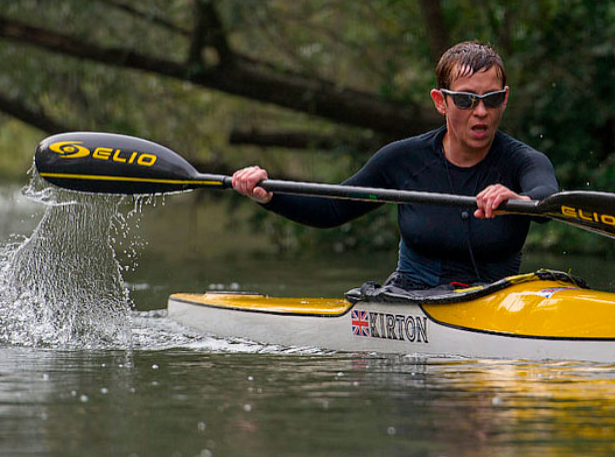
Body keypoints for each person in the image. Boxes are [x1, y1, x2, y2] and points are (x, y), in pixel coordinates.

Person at [231, 41, 559, 289]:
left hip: (497, 306)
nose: (481, 112)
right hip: (410, 302)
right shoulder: (403, 160)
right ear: (440, 102)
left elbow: (546, 200)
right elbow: (332, 209)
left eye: (492, 99)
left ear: (505, 98)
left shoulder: (524, 162)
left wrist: (519, 201)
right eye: (465, 99)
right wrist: (269, 195)